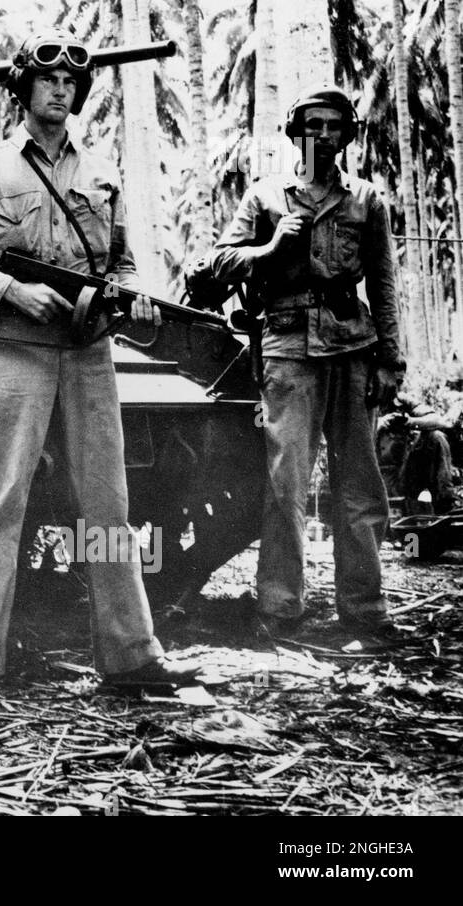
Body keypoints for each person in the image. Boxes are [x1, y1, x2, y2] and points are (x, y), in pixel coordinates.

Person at [0, 33, 200, 697]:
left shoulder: (100, 173)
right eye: (48, 80)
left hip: (91, 354)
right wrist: (9, 290)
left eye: (72, 80)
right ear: (24, 89)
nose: (61, 89)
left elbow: (122, 261)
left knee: (109, 508)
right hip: (19, 351)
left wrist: (133, 299)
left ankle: (130, 654)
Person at [210, 86, 403, 639]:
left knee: (360, 486)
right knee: (284, 482)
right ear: (295, 133)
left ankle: (364, 609)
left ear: (346, 136)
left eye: (335, 127)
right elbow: (219, 262)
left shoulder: (367, 201)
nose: (323, 135)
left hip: (352, 351)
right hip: (288, 351)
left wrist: (391, 360)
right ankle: (279, 608)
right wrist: (269, 250)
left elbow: (384, 287)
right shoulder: (266, 197)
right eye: (312, 125)